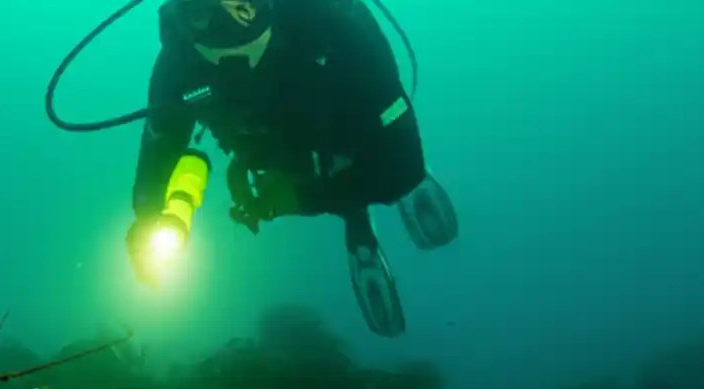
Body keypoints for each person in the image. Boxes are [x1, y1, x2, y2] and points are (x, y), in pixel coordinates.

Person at [125, 0, 458, 337]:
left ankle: (357, 213)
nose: (231, 20)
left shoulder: (331, 15)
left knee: (396, 172)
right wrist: (148, 218)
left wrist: (301, 200)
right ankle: (353, 214)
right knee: (297, 171)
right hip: (275, 154)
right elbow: (160, 146)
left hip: (351, 134)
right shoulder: (179, 60)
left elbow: (403, 160)